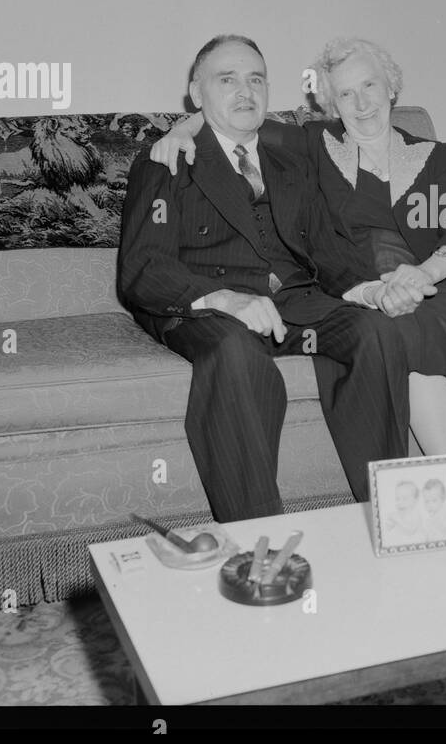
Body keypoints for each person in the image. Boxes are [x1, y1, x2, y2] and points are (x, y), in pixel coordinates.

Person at [150, 37, 446, 460]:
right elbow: (233, 122)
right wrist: (182, 128)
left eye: (370, 86)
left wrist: (424, 273)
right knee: (405, 333)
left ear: (391, 87)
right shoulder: (314, 145)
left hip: (434, 282)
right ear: (332, 104)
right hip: (367, 291)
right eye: (345, 94)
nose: (362, 103)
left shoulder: (434, 157)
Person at [118, 34, 412, 524]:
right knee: (236, 355)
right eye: (226, 79)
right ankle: (257, 536)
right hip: (208, 306)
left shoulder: (290, 158)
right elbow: (143, 268)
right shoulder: (168, 161)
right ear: (197, 93)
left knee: (375, 332)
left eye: (255, 79)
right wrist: (224, 299)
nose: (244, 91)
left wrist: (372, 290)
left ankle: (389, 516)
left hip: (293, 302)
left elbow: (328, 247)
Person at [382, 480, 425, 545]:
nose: (400, 502)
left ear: (415, 500)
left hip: (415, 544)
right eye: (397, 499)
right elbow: (388, 529)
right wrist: (389, 523)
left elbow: (411, 530)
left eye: (405, 499)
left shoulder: (415, 514)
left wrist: (397, 520)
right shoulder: (398, 514)